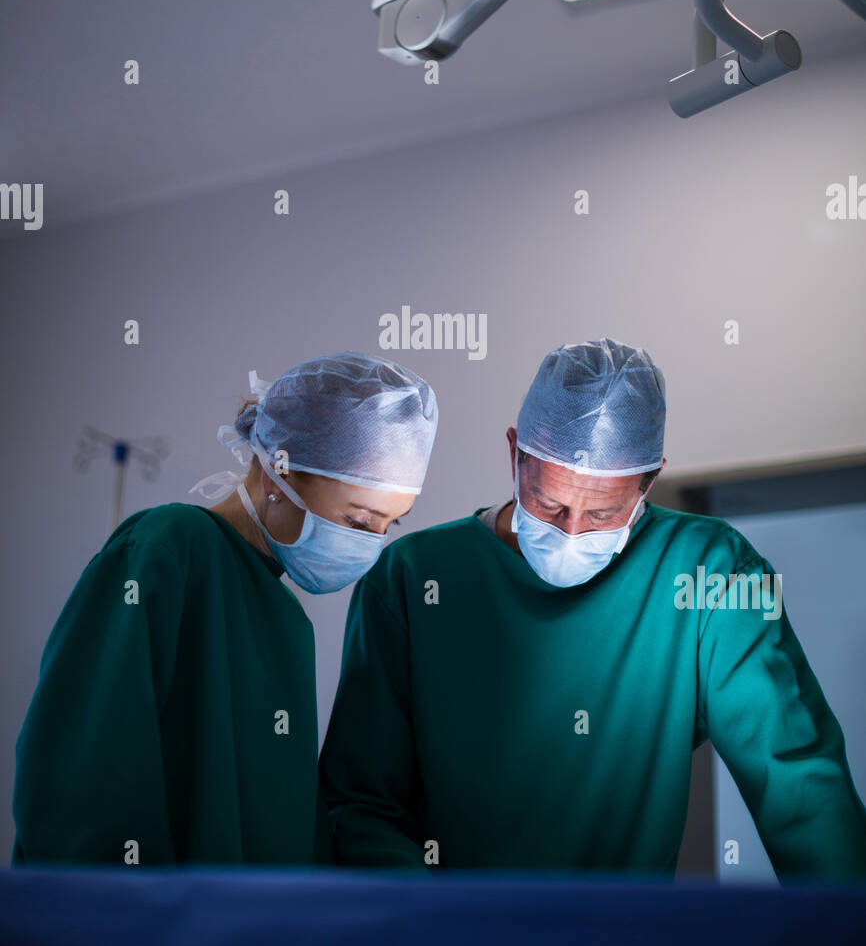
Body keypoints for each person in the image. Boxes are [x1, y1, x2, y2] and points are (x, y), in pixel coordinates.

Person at [320, 339, 866, 881]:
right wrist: (436, 931)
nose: (572, 531)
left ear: (649, 482)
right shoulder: (413, 577)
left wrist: (844, 936)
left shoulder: (710, 572)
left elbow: (796, 776)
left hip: (625, 945)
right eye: (549, 504)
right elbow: (362, 803)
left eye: (604, 513)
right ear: (515, 454)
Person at [13, 352, 437, 867]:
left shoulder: (285, 620)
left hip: (245, 936)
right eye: (358, 518)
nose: (370, 546)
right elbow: (80, 767)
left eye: (388, 525)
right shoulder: (167, 549)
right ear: (272, 474)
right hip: (141, 931)